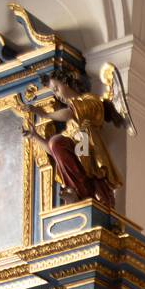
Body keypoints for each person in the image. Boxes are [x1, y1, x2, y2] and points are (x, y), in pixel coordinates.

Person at [26, 67, 123, 208]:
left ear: (66, 82)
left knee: (76, 148)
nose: (56, 94)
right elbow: (53, 149)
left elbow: (72, 113)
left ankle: (88, 190)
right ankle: (78, 192)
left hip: (88, 150)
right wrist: (34, 135)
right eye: (54, 91)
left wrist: (46, 115)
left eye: (56, 88)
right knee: (56, 142)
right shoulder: (70, 127)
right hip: (80, 149)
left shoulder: (90, 100)